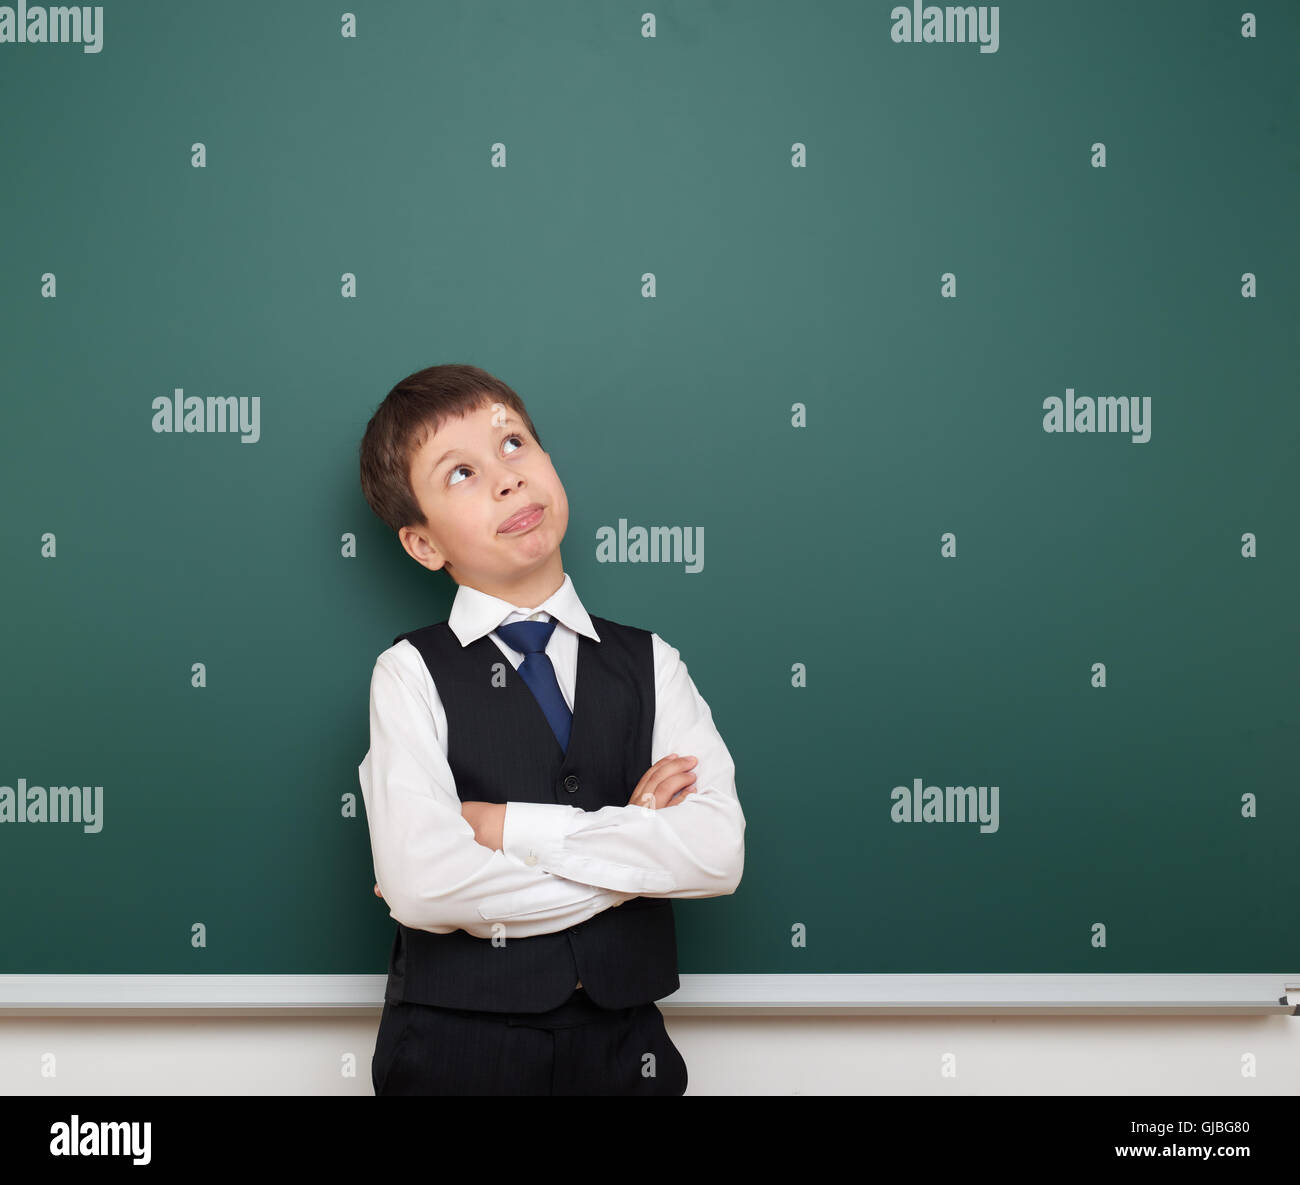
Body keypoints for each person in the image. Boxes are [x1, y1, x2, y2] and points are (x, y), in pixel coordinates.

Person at [356, 363, 745, 1095]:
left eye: (513, 443)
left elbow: (716, 854)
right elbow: (423, 887)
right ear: (423, 545)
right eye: (462, 472)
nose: (506, 478)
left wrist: (505, 827)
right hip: (453, 1055)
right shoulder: (408, 673)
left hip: (628, 1049)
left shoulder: (650, 662)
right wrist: (634, 843)